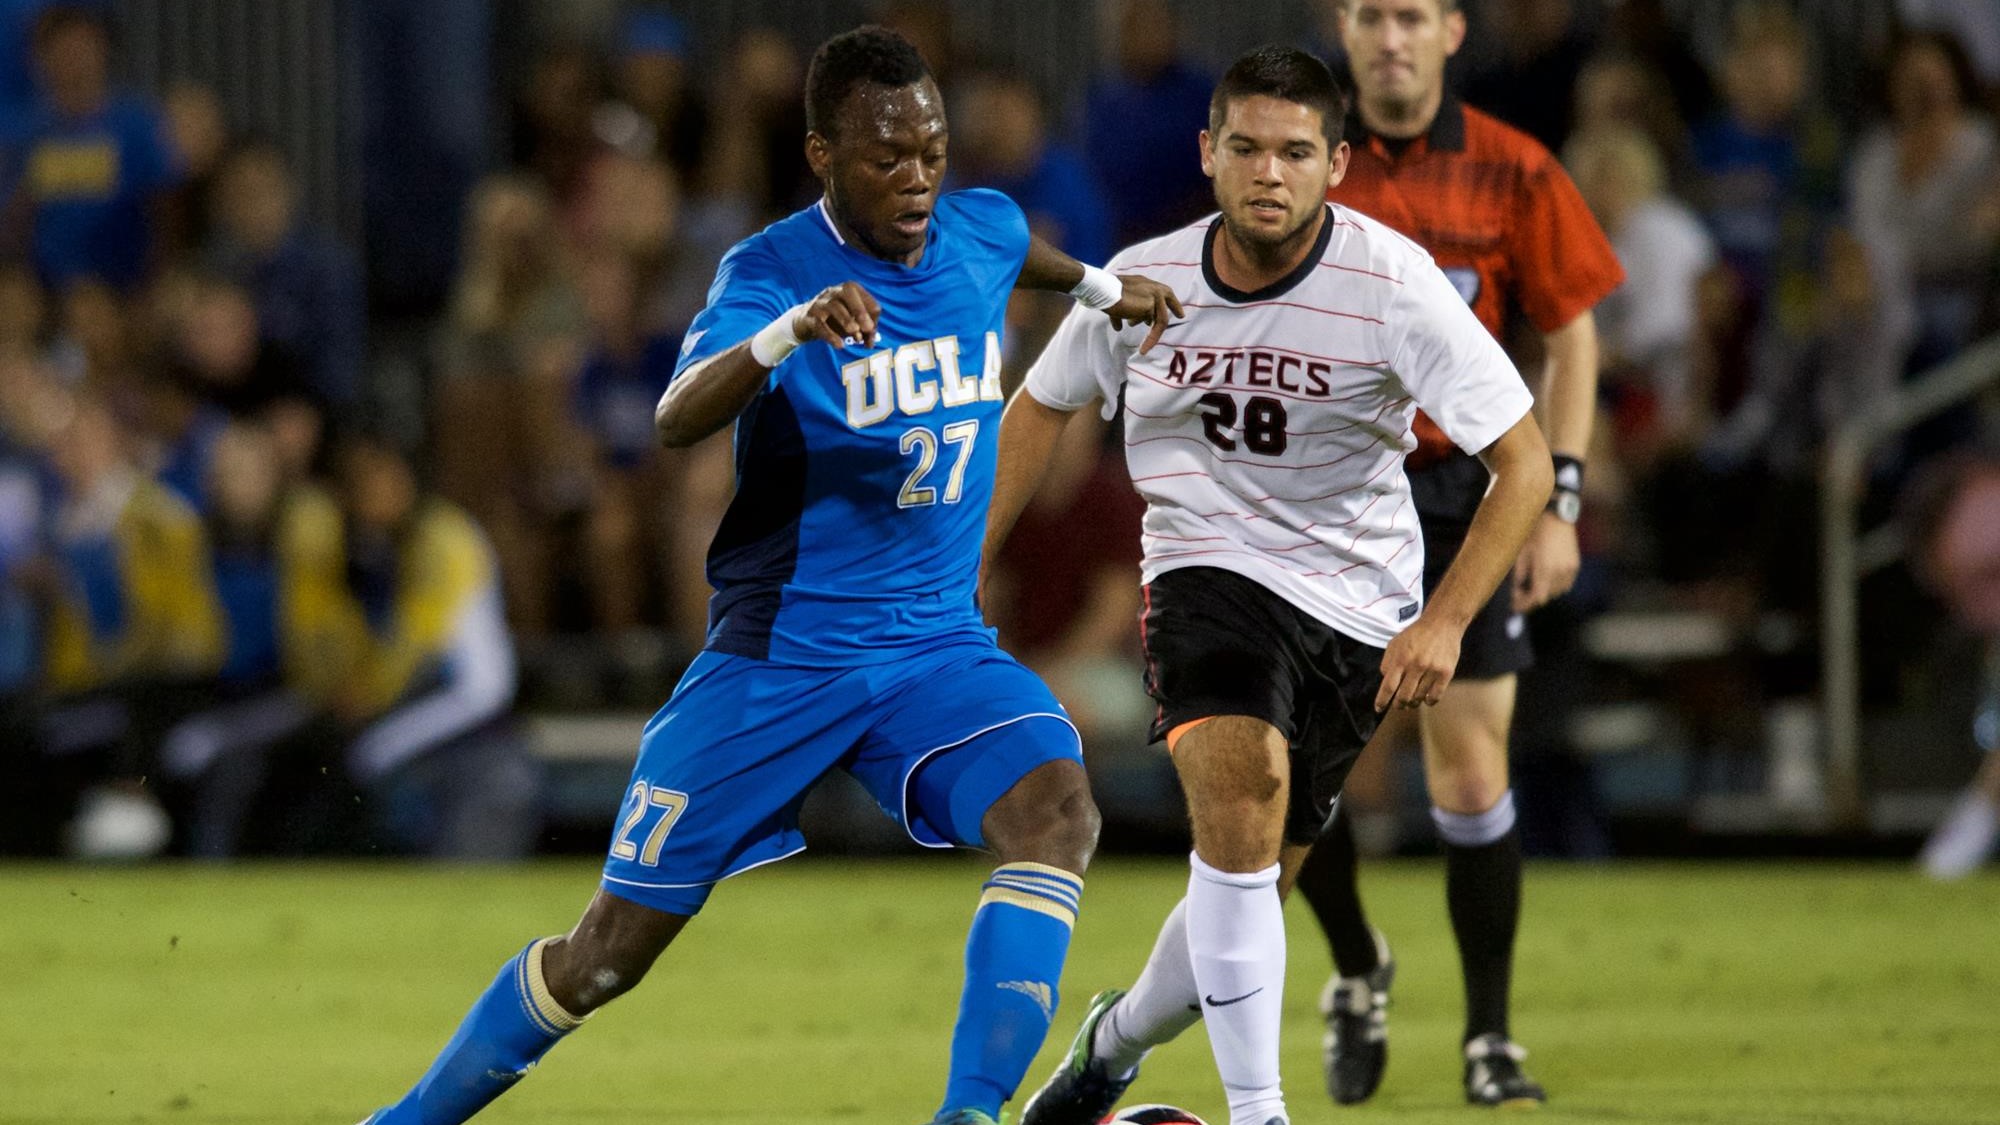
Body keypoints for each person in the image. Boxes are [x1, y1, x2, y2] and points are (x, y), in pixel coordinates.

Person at [357, 26, 1180, 1125]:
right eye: (886, 157)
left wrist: (1098, 288)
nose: (917, 178)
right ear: (820, 156)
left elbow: (1019, 248)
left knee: (1055, 809)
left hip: (932, 644)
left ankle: (969, 1117)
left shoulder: (977, 230)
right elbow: (672, 415)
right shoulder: (770, 270)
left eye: (930, 151)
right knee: (607, 954)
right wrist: (785, 337)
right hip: (781, 656)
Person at [1001, 46, 1553, 1125]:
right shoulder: (1140, 280)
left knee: (1246, 883)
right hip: (1203, 576)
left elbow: (1522, 461)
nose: (1268, 172)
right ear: (1206, 154)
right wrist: (960, 565)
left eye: (1294, 151)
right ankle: (1260, 1115)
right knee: (1241, 789)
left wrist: (1444, 620)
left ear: (1335, 164)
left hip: (1356, 610)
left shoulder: (1392, 285)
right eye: (1245, 147)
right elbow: (1038, 405)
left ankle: (1109, 1048)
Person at [1291, 0, 1624, 1109]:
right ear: (1341, 26)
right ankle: (1355, 966)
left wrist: (1558, 497)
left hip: (1461, 493)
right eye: (1371, 13)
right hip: (1327, 494)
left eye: (1411, 15)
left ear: (1449, 30)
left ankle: (1488, 1041)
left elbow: (1571, 331)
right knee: (1297, 775)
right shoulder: (1299, 162)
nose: (1390, 36)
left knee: (1470, 770)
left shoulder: (1512, 168)